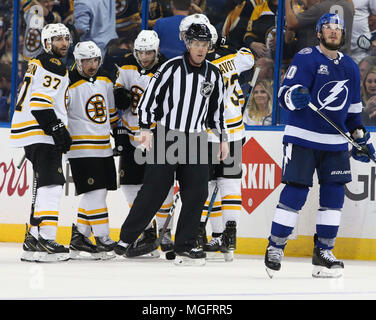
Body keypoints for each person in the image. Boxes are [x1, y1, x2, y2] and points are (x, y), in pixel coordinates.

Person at [264, 13, 376, 279]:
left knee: (334, 197)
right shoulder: (305, 57)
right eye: (328, 27)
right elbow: (283, 94)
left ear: (343, 34)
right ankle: (276, 246)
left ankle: (323, 252)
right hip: (302, 137)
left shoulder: (350, 66)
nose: (333, 31)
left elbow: (352, 112)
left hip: (335, 143)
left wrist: (360, 137)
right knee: (296, 192)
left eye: (337, 28)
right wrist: (294, 96)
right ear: (319, 32)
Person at [114, 23, 229, 266]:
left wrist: (223, 138)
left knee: (197, 192)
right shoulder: (170, 68)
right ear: (187, 45)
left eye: (204, 45)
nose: (200, 49)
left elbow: (217, 111)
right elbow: (149, 100)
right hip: (168, 135)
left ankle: (184, 246)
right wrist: (145, 128)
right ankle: (127, 238)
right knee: (155, 190)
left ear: (209, 47)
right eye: (196, 44)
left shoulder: (214, 74)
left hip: (197, 138)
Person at [10, 23, 72, 262]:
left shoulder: (39, 62)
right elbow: (39, 103)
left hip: (31, 131)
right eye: (57, 39)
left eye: (66, 39)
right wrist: (57, 129)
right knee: (52, 185)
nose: (63, 43)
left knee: (44, 183)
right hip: (40, 131)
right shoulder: (52, 64)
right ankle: (47, 238)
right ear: (47, 43)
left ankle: (34, 237)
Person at [113, 30, 174, 255]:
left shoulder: (168, 67)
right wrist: (119, 95)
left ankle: (166, 231)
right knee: (129, 184)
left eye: (149, 52)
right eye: (140, 52)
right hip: (132, 134)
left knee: (161, 184)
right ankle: (146, 230)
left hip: (158, 134)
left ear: (156, 50)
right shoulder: (126, 64)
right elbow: (118, 91)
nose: (145, 57)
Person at [197, 23, 255, 261]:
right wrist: (228, 46)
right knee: (230, 185)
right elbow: (249, 58)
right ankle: (227, 236)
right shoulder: (232, 58)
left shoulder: (201, 68)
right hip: (235, 131)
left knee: (206, 185)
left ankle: (199, 231)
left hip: (210, 134)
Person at [66, 41, 119, 260]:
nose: (92, 64)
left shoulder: (106, 80)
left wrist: (120, 136)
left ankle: (79, 237)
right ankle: (103, 239)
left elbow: (111, 114)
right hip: (81, 148)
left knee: (97, 193)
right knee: (95, 194)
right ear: (78, 61)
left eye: (95, 60)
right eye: (87, 60)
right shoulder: (67, 83)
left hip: (103, 147)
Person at [284, 0, 354, 55]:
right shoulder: (349, 7)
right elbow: (288, 38)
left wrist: (287, 2)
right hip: (343, 59)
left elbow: (291, 24)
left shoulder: (320, 9)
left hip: (321, 61)